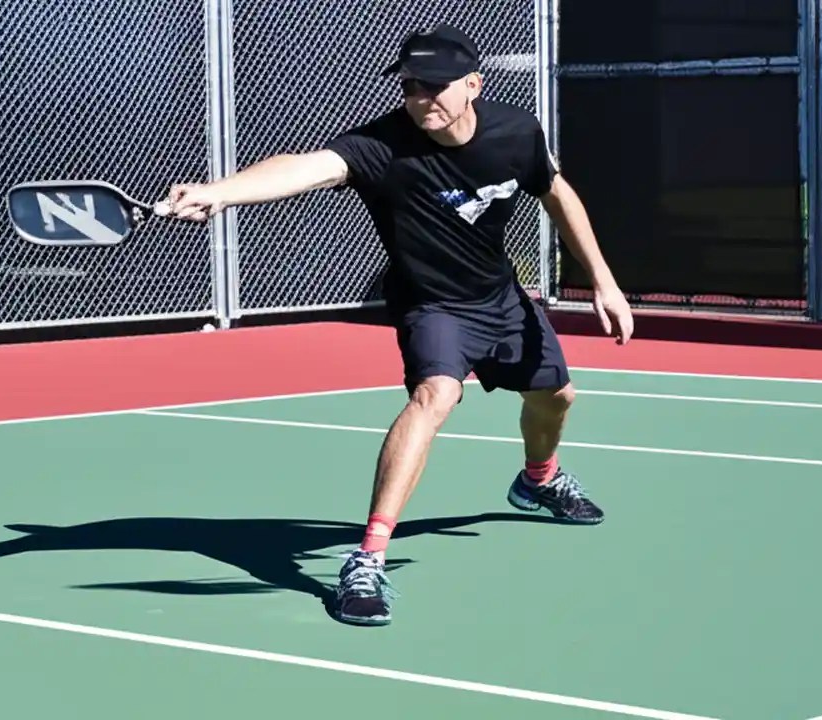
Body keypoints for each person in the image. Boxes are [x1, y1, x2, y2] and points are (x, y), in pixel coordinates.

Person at [161, 23, 633, 627]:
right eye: (411, 87)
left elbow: (557, 193)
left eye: (434, 87)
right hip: (430, 303)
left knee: (557, 396)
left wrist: (603, 280)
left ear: (472, 85)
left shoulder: (517, 133)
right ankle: (367, 559)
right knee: (435, 396)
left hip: (500, 296)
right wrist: (220, 192)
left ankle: (538, 479)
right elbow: (304, 167)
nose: (420, 99)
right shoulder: (382, 146)